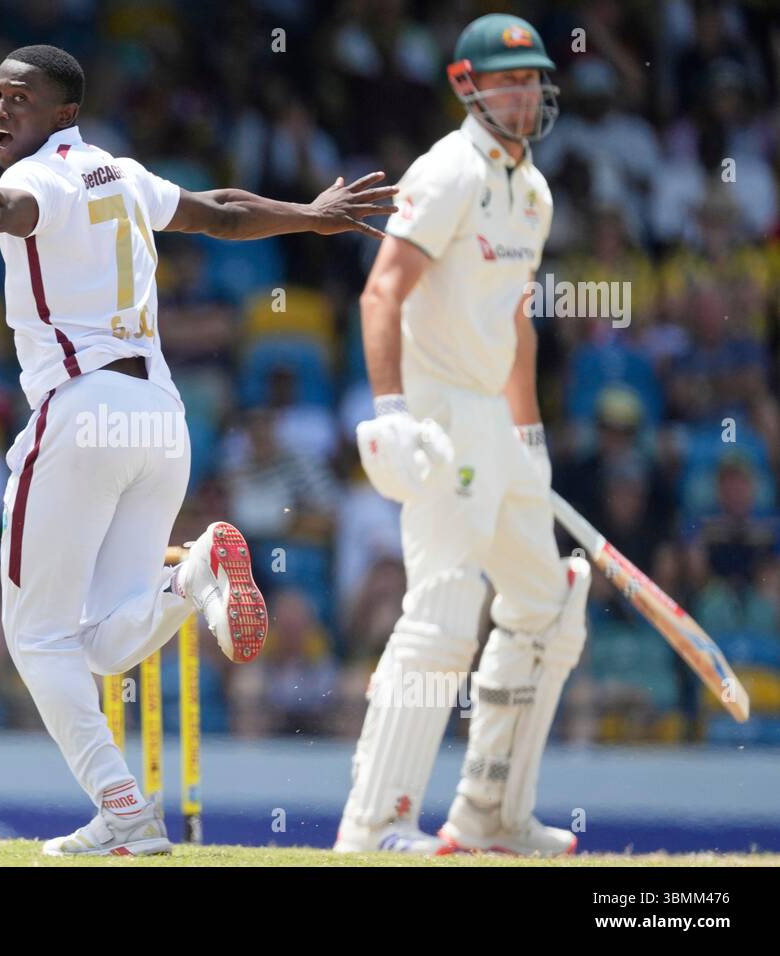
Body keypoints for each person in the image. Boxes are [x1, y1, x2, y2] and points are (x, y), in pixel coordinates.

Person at [0, 44, 397, 856]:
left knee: (35, 638)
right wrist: (309, 212)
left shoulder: (37, 180)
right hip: (160, 417)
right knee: (99, 639)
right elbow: (222, 213)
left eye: (19, 98)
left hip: (83, 409)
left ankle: (125, 814)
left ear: (63, 113)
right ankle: (193, 576)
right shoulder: (121, 174)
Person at [336, 14, 590, 857]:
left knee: (548, 612)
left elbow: (517, 318)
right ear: (466, 84)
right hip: (440, 415)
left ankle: (490, 814)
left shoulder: (536, 190)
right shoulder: (446, 172)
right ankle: (376, 827)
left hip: (497, 420)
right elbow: (383, 292)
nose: (525, 94)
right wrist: (390, 410)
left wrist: (531, 433)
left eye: (534, 79)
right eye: (507, 79)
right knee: (446, 613)